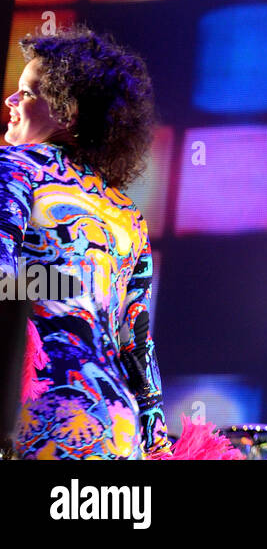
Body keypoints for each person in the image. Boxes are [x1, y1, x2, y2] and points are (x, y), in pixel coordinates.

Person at [1, 25, 171, 459]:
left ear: (67, 111)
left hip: (38, 418)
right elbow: (137, 350)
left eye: (27, 93)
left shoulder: (16, 168)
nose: (12, 103)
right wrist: (158, 448)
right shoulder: (128, 216)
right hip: (117, 429)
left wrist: (59, 286)